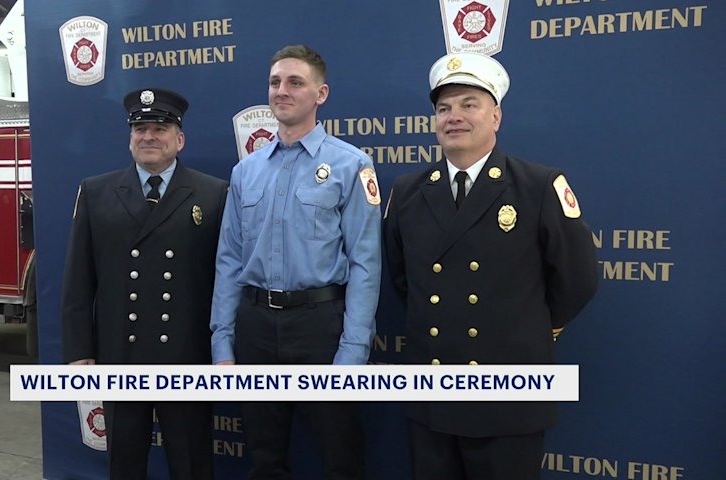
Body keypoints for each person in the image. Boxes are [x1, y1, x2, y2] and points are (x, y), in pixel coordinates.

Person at [383, 53, 599, 480]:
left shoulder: (537, 186)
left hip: (508, 395)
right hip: (432, 394)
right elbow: (402, 278)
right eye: (443, 108)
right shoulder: (407, 192)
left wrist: (528, 329)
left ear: (495, 116)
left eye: (468, 104)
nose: (454, 117)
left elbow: (578, 278)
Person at [210, 44, 382, 479]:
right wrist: (223, 344)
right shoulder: (246, 171)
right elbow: (229, 260)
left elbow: (365, 263)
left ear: (320, 94)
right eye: (274, 82)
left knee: (340, 457)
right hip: (255, 329)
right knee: (265, 460)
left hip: (320, 328)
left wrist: (352, 354)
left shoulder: (351, 165)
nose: (281, 91)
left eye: (294, 82)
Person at [61, 87, 228, 480]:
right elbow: (78, 281)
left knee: (191, 463)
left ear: (180, 139)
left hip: (187, 355)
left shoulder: (214, 193)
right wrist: (79, 350)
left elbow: (226, 283)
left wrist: (224, 347)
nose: (149, 136)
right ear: (129, 137)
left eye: (160, 127)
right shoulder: (97, 192)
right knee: (125, 462)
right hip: (122, 353)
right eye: (140, 128)